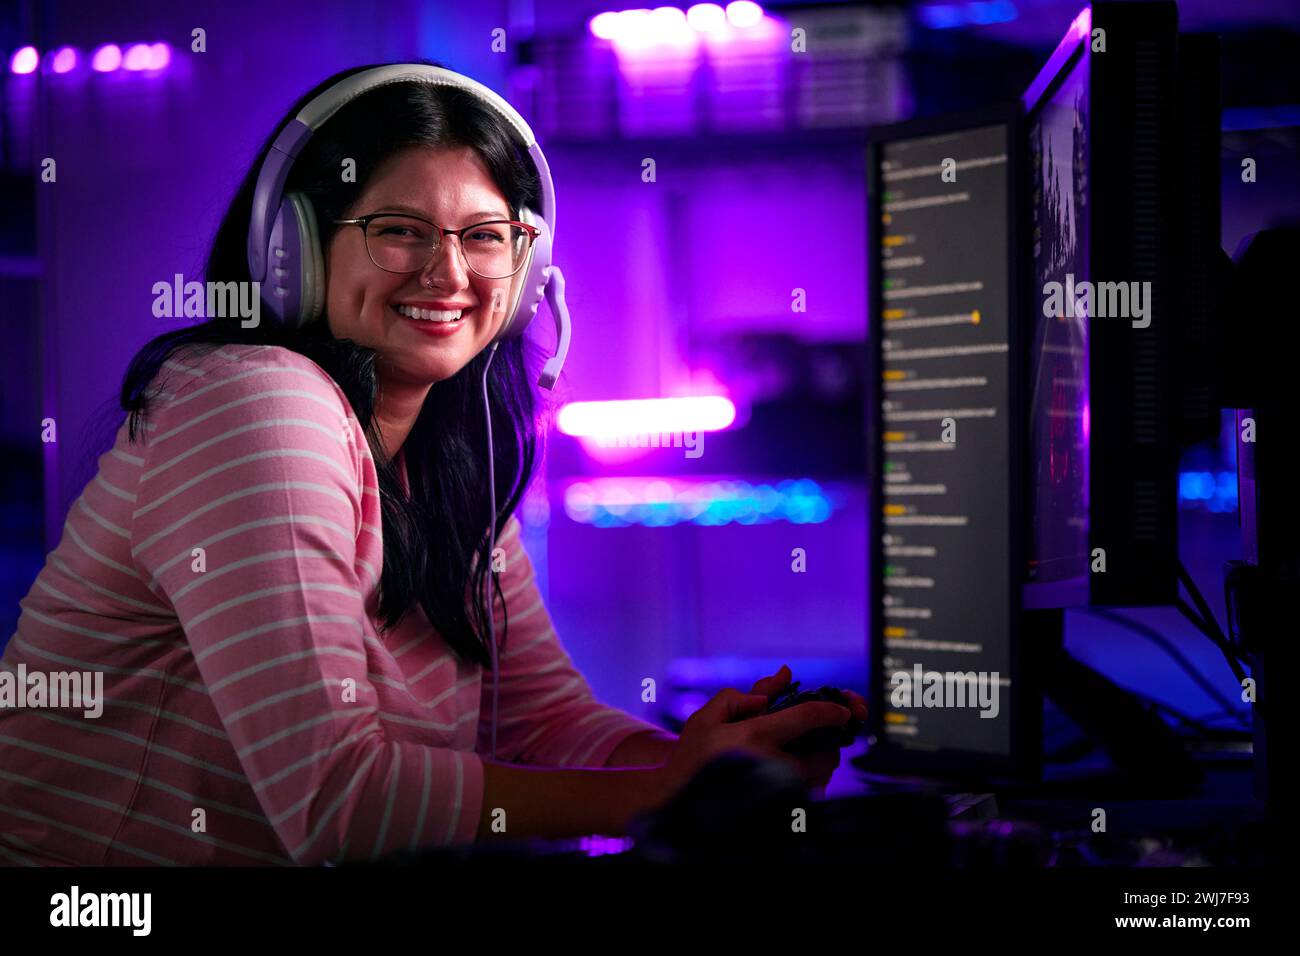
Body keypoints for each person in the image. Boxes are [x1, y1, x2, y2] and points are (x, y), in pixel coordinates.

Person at [0, 62, 866, 866]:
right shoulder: (253, 401)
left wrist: (707, 764)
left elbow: (538, 723)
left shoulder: (450, 454)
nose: (450, 273)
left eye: (486, 236)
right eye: (399, 231)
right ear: (291, 252)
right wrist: (663, 790)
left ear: (527, 275)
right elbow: (333, 795)